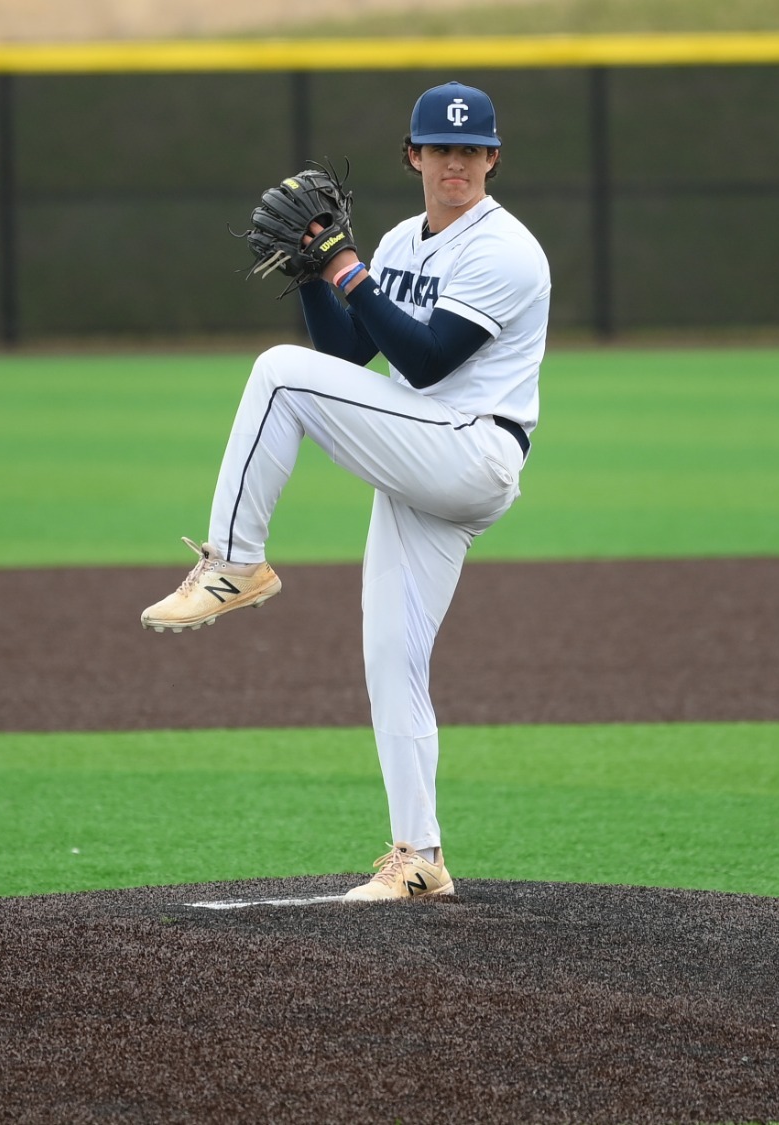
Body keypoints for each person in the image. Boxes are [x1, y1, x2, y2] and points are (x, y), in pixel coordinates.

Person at [140, 80, 551, 902]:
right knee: (391, 656)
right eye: (442, 149)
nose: (457, 163)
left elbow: (427, 360)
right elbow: (348, 356)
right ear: (414, 155)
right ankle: (420, 856)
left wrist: (343, 266)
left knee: (277, 374)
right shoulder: (399, 242)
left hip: (471, 448)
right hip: (421, 452)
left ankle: (235, 562)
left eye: (472, 151)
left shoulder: (508, 250)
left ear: (494, 160)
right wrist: (310, 273)